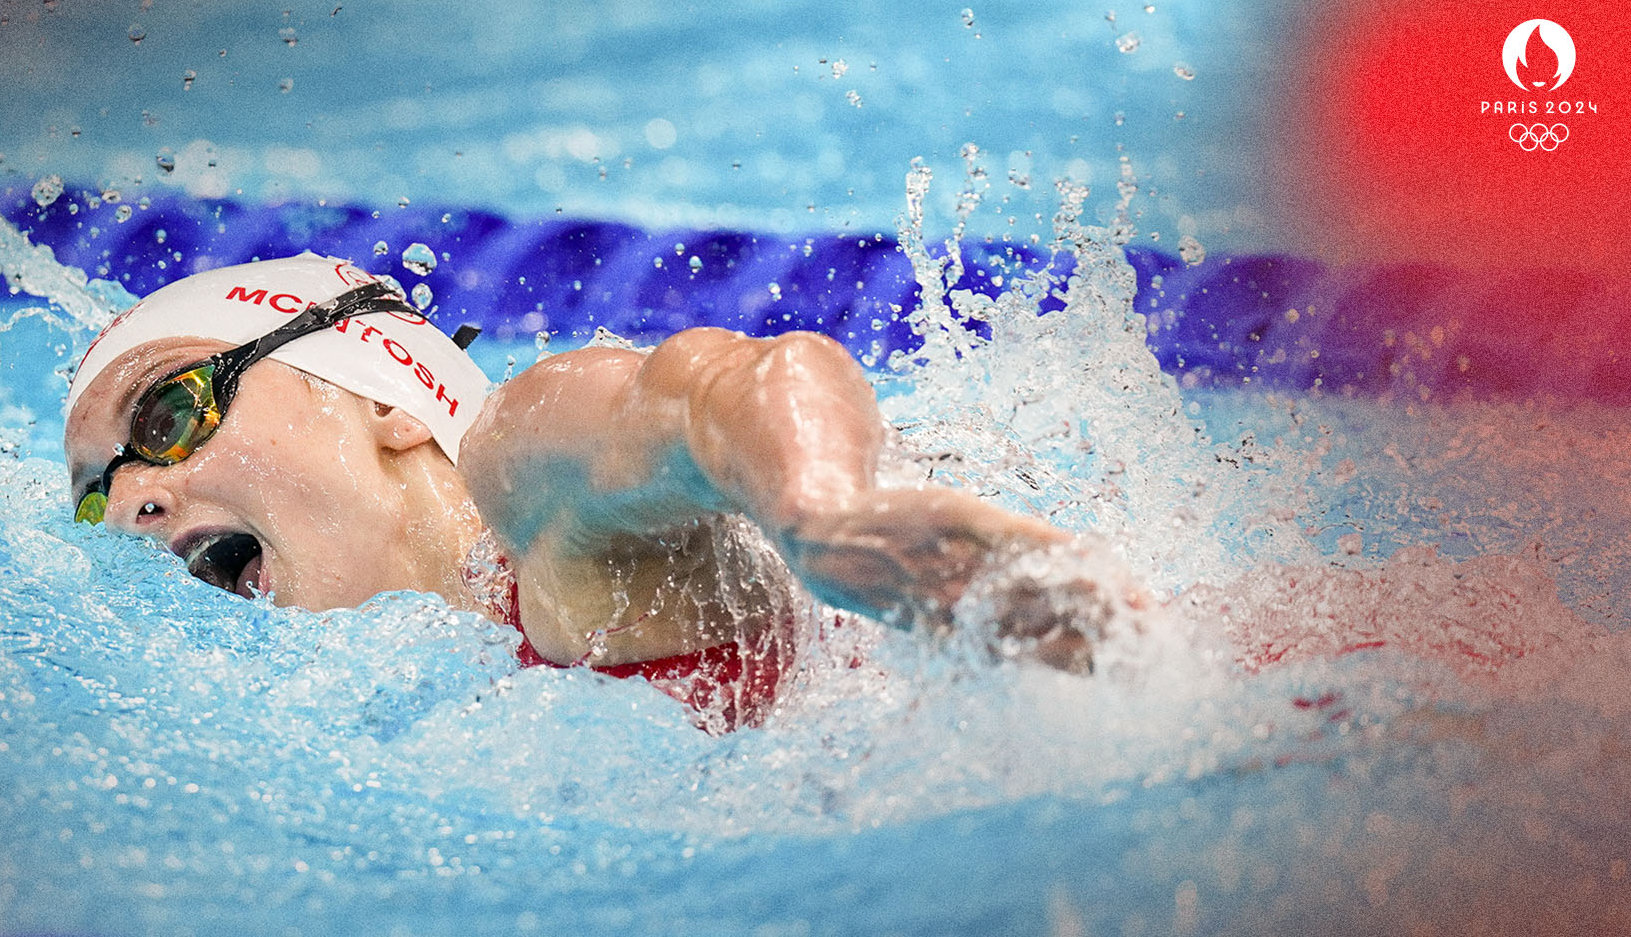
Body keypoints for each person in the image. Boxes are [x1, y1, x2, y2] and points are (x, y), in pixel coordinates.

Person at [62, 253, 1127, 731]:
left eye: (168, 415)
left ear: (389, 399)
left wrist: (826, 521)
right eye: (98, 496)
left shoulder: (531, 480)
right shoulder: (439, 698)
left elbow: (737, 382)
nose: (136, 502)